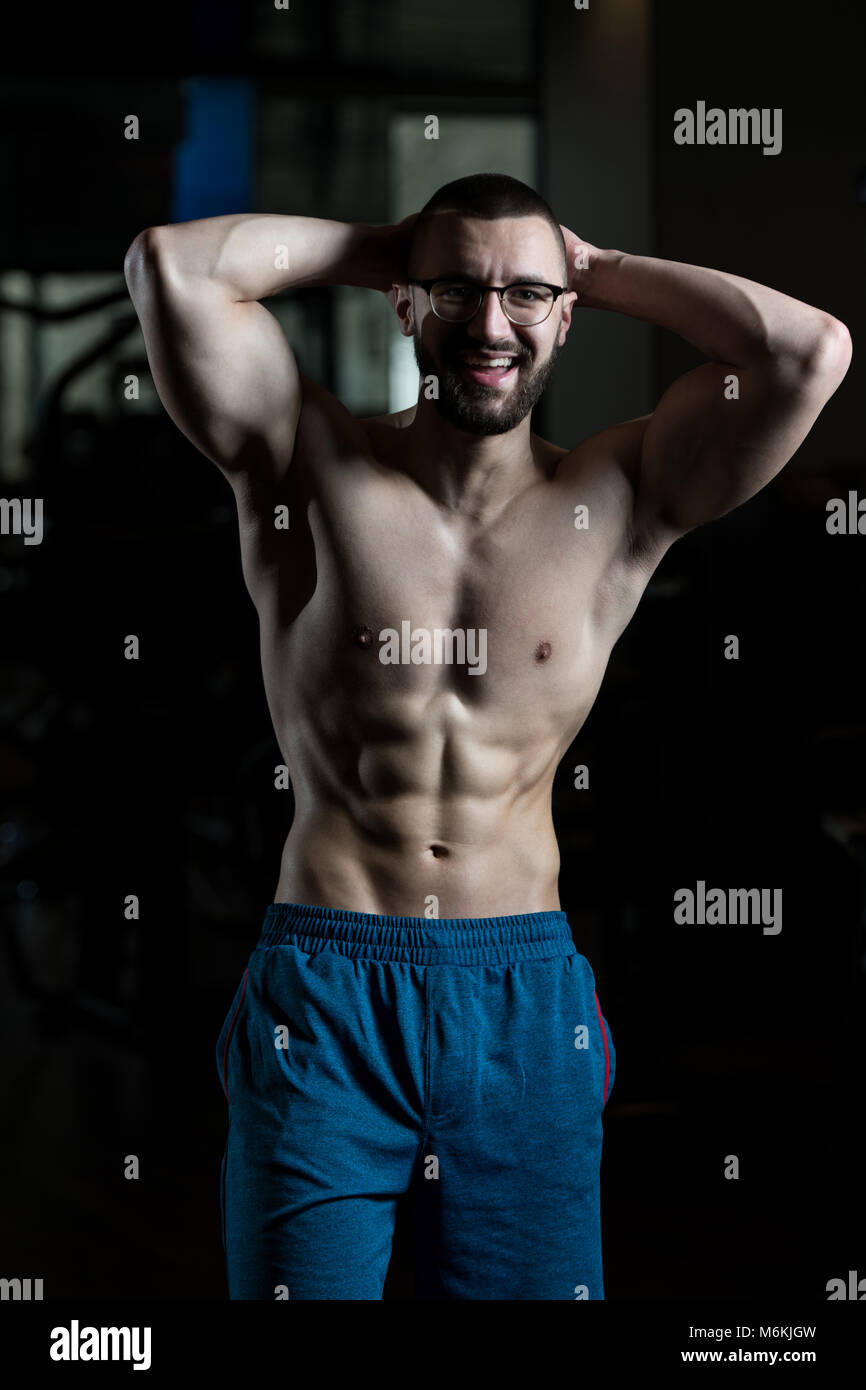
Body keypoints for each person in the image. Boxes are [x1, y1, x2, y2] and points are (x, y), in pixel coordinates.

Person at [124, 172, 851, 1300]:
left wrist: (591, 269)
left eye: (525, 298)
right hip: (326, 988)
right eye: (455, 295)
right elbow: (173, 267)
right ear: (403, 305)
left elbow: (805, 351)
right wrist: (402, 252)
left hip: (519, 1007)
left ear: (565, 315)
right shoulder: (306, 463)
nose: (490, 324)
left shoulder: (615, 495)